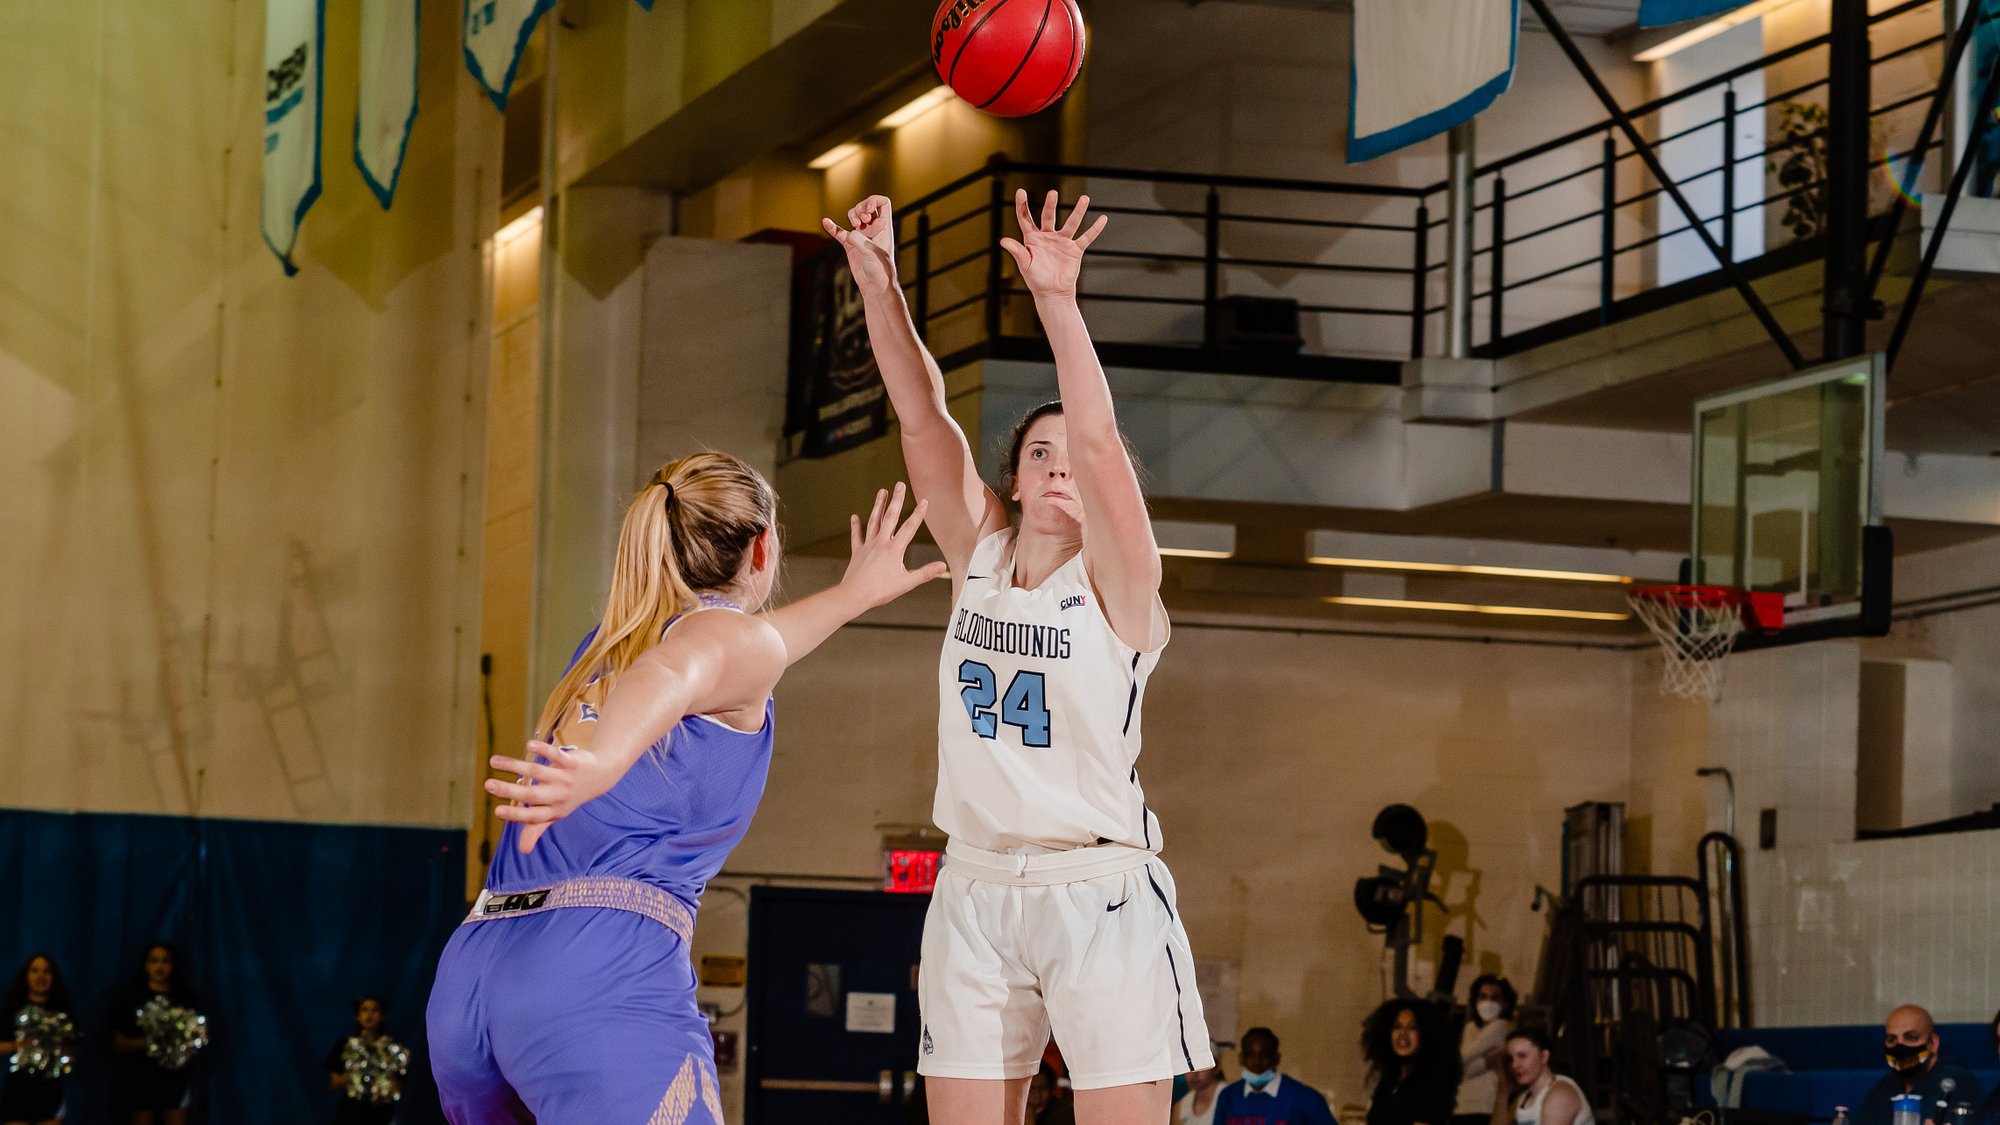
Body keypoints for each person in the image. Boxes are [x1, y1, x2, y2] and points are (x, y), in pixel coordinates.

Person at [824, 187, 1212, 1125]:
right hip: (975, 882)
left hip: (1099, 890)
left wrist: (1057, 304)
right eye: (1037, 453)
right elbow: (923, 418)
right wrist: (880, 287)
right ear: (1014, 477)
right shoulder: (980, 559)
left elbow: (1101, 439)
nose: (1059, 466)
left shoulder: (1121, 579)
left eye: (1068, 454)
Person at [427, 452, 943, 1123]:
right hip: (597, 969)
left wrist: (852, 595)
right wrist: (607, 759)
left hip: (476, 973)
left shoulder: (610, 644)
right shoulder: (714, 646)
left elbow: (746, 646)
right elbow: (683, 667)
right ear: (763, 546)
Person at [112, 942, 204, 1125]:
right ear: (146, 965)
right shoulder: (132, 997)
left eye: (165, 961)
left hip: (175, 1077)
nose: (160, 966)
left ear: (173, 965)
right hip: (141, 1076)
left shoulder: (184, 998)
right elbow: (119, 1043)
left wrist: (180, 1045)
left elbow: (197, 1036)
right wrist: (151, 1042)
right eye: (154, 961)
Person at [1855, 1004, 1982, 1125]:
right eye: (1891, 1039)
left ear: (1933, 1043)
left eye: (1911, 1037)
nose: (1900, 1047)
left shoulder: (1953, 1083)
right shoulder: (1887, 1085)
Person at [0, 954, 72, 1125]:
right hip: (18, 1090)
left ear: (53, 977)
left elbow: (73, 1051)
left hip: (51, 1090)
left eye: (47, 971)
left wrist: (60, 1046)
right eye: (34, 970)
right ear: (26, 976)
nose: (40, 976)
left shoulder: (61, 1012)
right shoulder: (12, 1010)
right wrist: (19, 1045)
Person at [1212, 1027, 1337, 1125]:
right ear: (1241, 1059)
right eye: (1251, 1055)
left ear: (1276, 1059)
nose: (1257, 1062)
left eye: (1265, 1055)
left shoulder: (1305, 1098)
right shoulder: (1228, 1097)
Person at [1363, 999, 1459, 1125]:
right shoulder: (1389, 1081)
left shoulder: (1433, 1084)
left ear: (1426, 1035)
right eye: (1397, 1027)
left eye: (1412, 1027)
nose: (1403, 1034)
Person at [325, 996, 404, 1125]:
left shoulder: (393, 1050)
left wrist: (383, 1079)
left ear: (382, 1017)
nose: (369, 1015)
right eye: (364, 1010)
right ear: (357, 1017)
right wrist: (357, 1069)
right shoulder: (345, 1046)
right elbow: (334, 1084)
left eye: (375, 1010)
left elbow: (399, 1088)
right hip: (350, 1113)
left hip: (380, 1114)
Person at [1455, 976, 1517, 1125]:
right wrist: (1490, 1059)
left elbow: (1462, 1062)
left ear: (1505, 1003)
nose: (1488, 1002)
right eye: (1483, 997)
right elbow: (1460, 1064)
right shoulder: (1470, 1027)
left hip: (1485, 1108)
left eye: (1495, 998)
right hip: (1460, 1107)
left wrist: (1466, 1065)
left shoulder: (1502, 1026)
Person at [1502, 1027, 1593, 1125]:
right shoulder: (1522, 1098)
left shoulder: (1560, 1094)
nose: (1514, 1065)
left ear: (1544, 1056)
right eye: (1510, 1059)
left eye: (1522, 1056)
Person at [1172, 1060, 1226, 1125]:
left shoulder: (1232, 1098)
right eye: (1188, 1067)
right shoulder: (1181, 1106)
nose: (1194, 1074)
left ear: (1216, 1067)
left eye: (1202, 1066)